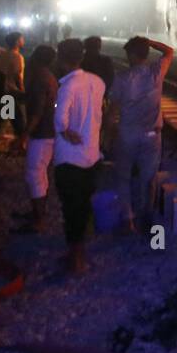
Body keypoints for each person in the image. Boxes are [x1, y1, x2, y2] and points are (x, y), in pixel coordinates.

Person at [106, 36, 174, 233]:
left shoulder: (122, 77)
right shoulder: (156, 72)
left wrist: (108, 134)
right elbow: (169, 51)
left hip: (128, 135)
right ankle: (147, 217)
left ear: (132, 55)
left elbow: (112, 109)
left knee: (123, 176)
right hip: (153, 135)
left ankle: (128, 219)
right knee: (149, 178)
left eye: (128, 54)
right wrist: (150, 42)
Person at [52, 38, 106, 275]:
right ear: (81, 57)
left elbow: (59, 120)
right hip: (92, 155)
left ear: (60, 59)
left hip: (70, 158)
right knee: (83, 204)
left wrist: (65, 131)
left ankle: (76, 259)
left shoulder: (67, 86)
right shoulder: (97, 81)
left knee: (71, 208)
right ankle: (80, 253)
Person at [14, 45, 58, 234]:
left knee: (34, 174)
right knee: (40, 174)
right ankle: (37, 213)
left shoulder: (40, 78)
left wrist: (24, 134)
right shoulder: (48, 75)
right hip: (47, 131)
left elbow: (38, 111)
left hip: (42, 133)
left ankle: (39, 219)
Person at [0, 31, 26, 147]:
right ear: (17, 42)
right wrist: (23, 92)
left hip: (0, 90)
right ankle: (20, 144)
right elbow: (17, 76)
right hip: (10, 92)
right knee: (18, 120)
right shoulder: (17, 56)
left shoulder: (2, 54)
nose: (23, 40)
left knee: (2, 117)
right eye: (21, 39)